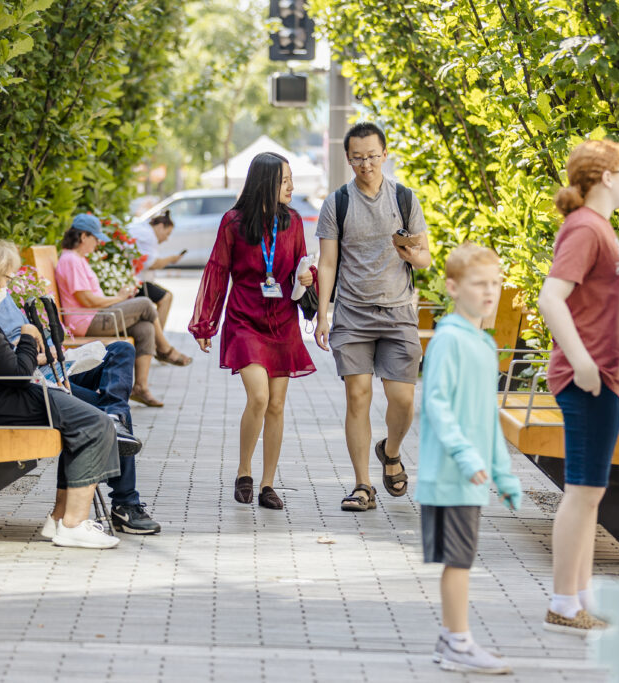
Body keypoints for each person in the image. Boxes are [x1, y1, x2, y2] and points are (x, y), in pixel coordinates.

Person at [0, 219, 160, 535]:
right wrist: (37, 349)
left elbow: (16, 344)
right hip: (32, 378)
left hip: (46, 366)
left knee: (121, 354)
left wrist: (45, 345)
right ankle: (122, 501)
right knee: (96, 417)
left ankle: (114, 418)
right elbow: (10, 363)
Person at [537, 140, 619, 635]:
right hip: (586, 380)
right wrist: (583, 363)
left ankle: (576, 596)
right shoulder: (584, 228)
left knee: (589, 492)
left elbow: (611, 314)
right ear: (604, 178)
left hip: (605, 381)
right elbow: (551, 297)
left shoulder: (601, 228)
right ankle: (563, 601)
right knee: (581, 491)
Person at [313, 122, 431, 511]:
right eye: (358, 157)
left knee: (402, 398)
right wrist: (323, 315)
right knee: (357, 395)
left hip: (398, 313)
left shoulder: (405, 198)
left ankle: (391, 451)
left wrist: (411, 255)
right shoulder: (337, 203)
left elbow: (426, 257)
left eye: (372, 156)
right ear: (348, 158)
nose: (366, 164)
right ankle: (362, 485)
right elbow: (327, 263)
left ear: (385, 153)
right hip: (352, 313)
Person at [189, 152, 315, 510]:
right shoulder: (233, 222)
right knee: (259, 397)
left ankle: (267, 483)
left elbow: (302, 265)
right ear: (266, 182)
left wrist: (308, 276)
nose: (292, 187)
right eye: (285, 180)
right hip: (245, 318)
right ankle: (244, 470)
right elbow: (217, 269)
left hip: (283, 320)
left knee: (276, 404)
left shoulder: (292, 221)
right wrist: (205, 322)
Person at [418, 243, 521, 674]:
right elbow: (436, 403)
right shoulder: (448, 340)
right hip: (449, 476)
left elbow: (486, 416)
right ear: (453, 287)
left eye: (495, 283)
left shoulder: (483, 343)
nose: (489, 292)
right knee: (458, 561)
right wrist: (463, 454)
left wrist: (506, 474)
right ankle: (457, 643)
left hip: (472, 478)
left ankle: (452, 640)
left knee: (463, 559)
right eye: (480, 284)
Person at [55, 213, 187, 409]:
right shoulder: (70, 260)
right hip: (87, 322)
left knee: (144, 328)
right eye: (96, 238)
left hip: (97, 316)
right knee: (145, 304)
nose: (97, 243)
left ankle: (141, 387)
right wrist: (119, 298)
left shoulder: (78, 259)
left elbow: (90, 298)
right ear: (83, 236)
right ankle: (165, 349)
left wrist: (119, 297)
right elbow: (87, 300)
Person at [127, 210, 183, 330]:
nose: (166, 239)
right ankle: (158, 341)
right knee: (166, 297)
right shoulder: (149, 236)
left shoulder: (141, 227)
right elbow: (152, 264)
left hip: (133, 279)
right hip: (137, 282)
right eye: (167, 234)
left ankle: (157, 339)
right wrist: (171, 259)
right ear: (160, 226)